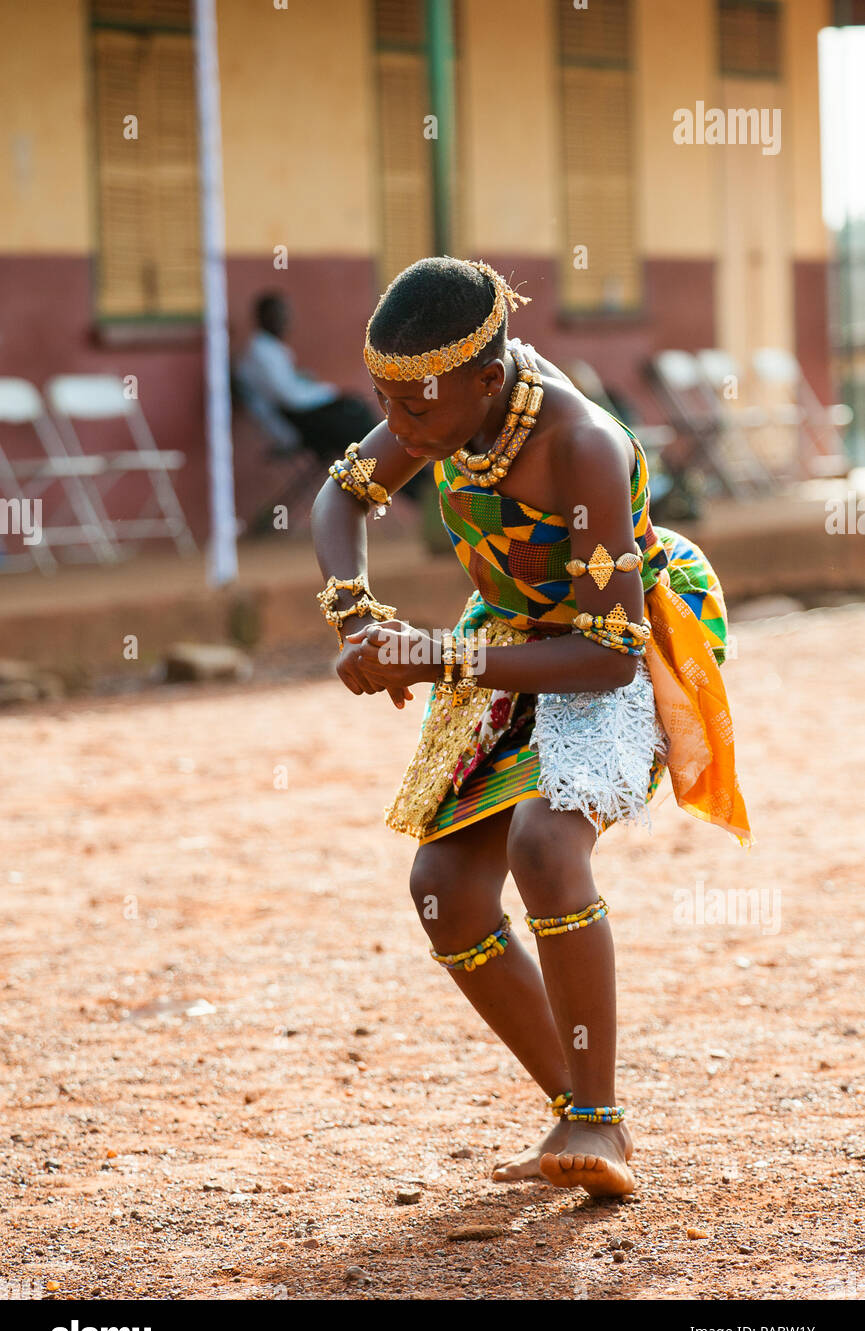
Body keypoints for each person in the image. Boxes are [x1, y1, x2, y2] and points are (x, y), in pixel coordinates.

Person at [311, 257, 751, 1198]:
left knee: (546, 846)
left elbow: (605, 656)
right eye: (385, 404)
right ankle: (578, 1114)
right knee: (445, 890)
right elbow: (340, 495)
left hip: (617, 642)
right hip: (510, 640)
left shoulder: (577, 445)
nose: (399, 430)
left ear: (486, 377)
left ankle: (598, 1121)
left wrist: (428, 654)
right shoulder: (439, 404)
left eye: (416, 411)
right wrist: (356, 614)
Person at [234, 292, 379, 460]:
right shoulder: (260, 353)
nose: (285, 320)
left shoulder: (270, 349)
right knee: (355, 411)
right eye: (278, 314)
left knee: (357, 410)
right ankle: (386, 467)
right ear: (263, 317)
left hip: (303, 415)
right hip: (297, 424)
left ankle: (387, 465)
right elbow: (289, 397)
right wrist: (327, 393)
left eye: (286, 315)